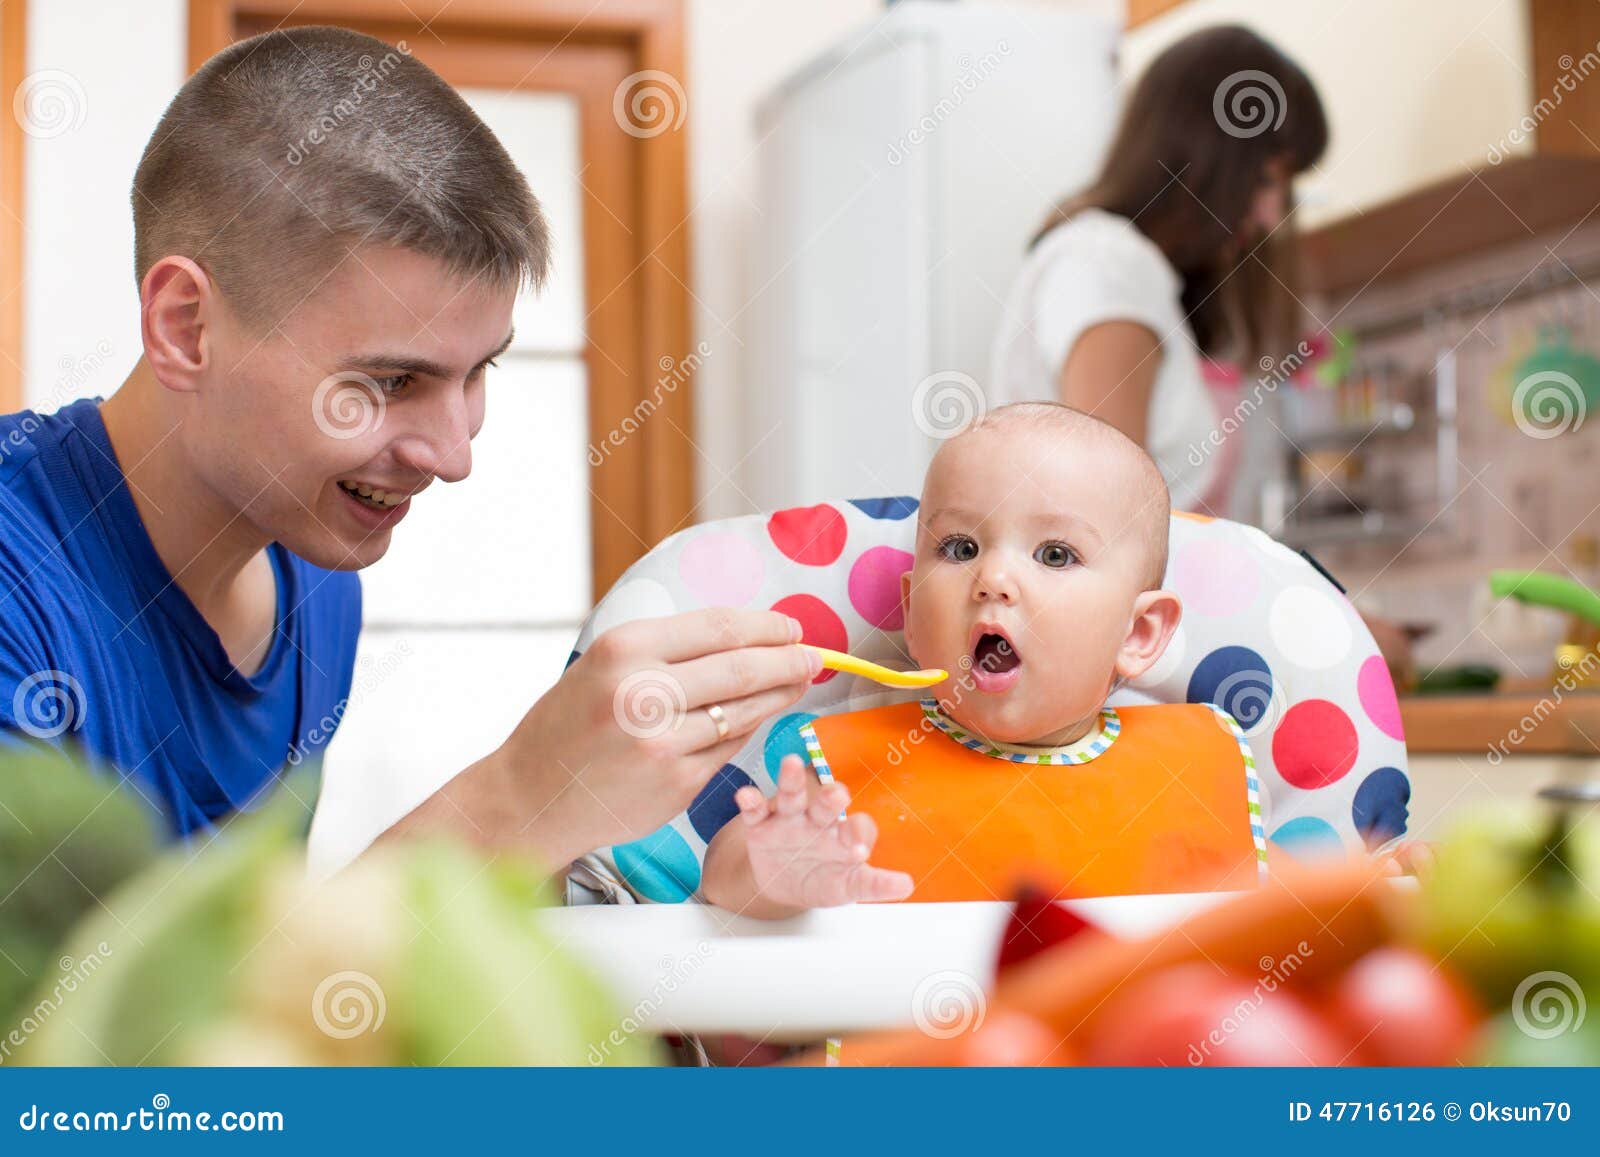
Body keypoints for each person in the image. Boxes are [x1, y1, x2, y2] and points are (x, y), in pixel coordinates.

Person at [0, 26, 817, 872]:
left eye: (477, 372)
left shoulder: (313, 576)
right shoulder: (17, 606)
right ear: (186, 326)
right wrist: (518, 798)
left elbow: (249, 965)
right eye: (392, 381)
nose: (453, 453)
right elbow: (86, 1008)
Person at [702, 403, 1268, 917]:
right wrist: (772, 869)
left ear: (1139, 632)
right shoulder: (844, 778)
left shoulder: (1195, 768)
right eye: (960, 548)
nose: (992, 579)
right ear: (912, 613)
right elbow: (722, 885)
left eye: (1054, 554)